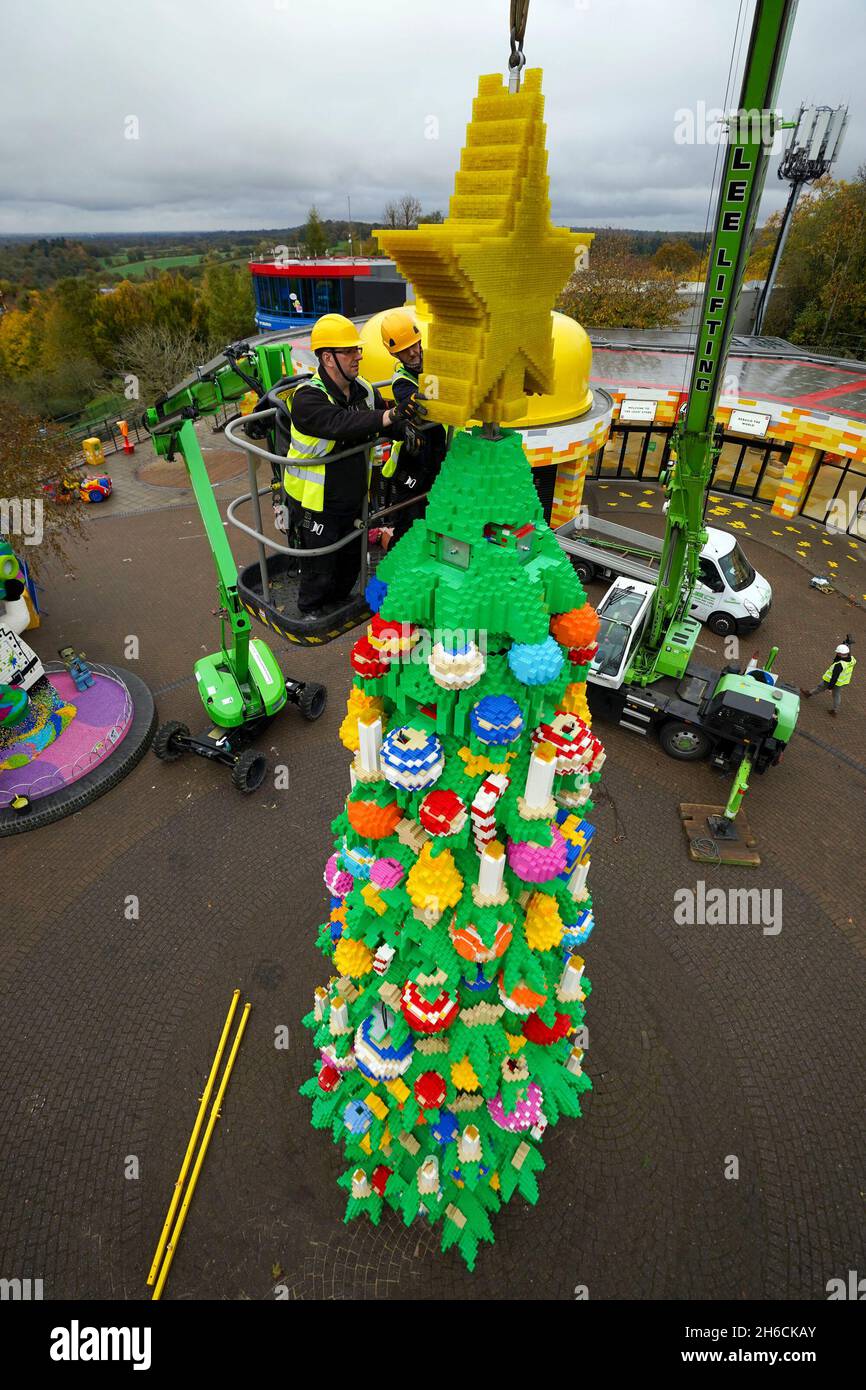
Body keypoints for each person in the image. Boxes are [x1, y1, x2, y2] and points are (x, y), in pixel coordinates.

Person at [285, 313, 412, 617]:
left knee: (350, 561)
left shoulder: (364, 390)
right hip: (315, 503)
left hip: (353, 497)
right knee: (320, 565)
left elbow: (384, 419)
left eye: (358, 350)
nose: (358, 357)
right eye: (350, 351)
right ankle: (311, 611)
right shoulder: (307, 399)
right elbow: (341, 423)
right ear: (328, 358)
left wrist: (409, 426)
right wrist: (388, 417)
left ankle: (337, 604)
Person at [379, 308, 447, 547]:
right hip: (414, 462)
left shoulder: (435, 361)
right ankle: (391, 552)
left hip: (437, 456)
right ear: (394, 353)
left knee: (434, 518)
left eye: (415, 345)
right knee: (409, 524)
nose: (412, 353)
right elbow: (429, 406)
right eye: (404, 351)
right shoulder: (401, 383)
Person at [801, 638, 856, 716]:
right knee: (836, 695)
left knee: (821, 687)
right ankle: (835, 710)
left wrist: (830, 687)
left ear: (840, 654)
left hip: (831, 681)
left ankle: (809, 694)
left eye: (838, 653)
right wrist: (846, 643)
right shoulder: (852, 659)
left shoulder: (839, 665)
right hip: (842, 682)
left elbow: (834, 677)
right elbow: (846, 652)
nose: (836, 654)